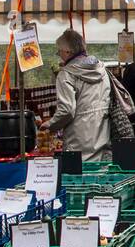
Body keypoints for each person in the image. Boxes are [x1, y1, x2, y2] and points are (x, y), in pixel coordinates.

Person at [42, 30, 110, 161]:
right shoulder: (102, 70)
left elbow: (67, 110)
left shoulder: (66, 74)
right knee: (101, 176)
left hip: (79, 141)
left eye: (59, 52)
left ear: (68, 52)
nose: (59, 55)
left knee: (78, 178)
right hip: (103, 134)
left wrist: (50, 124)